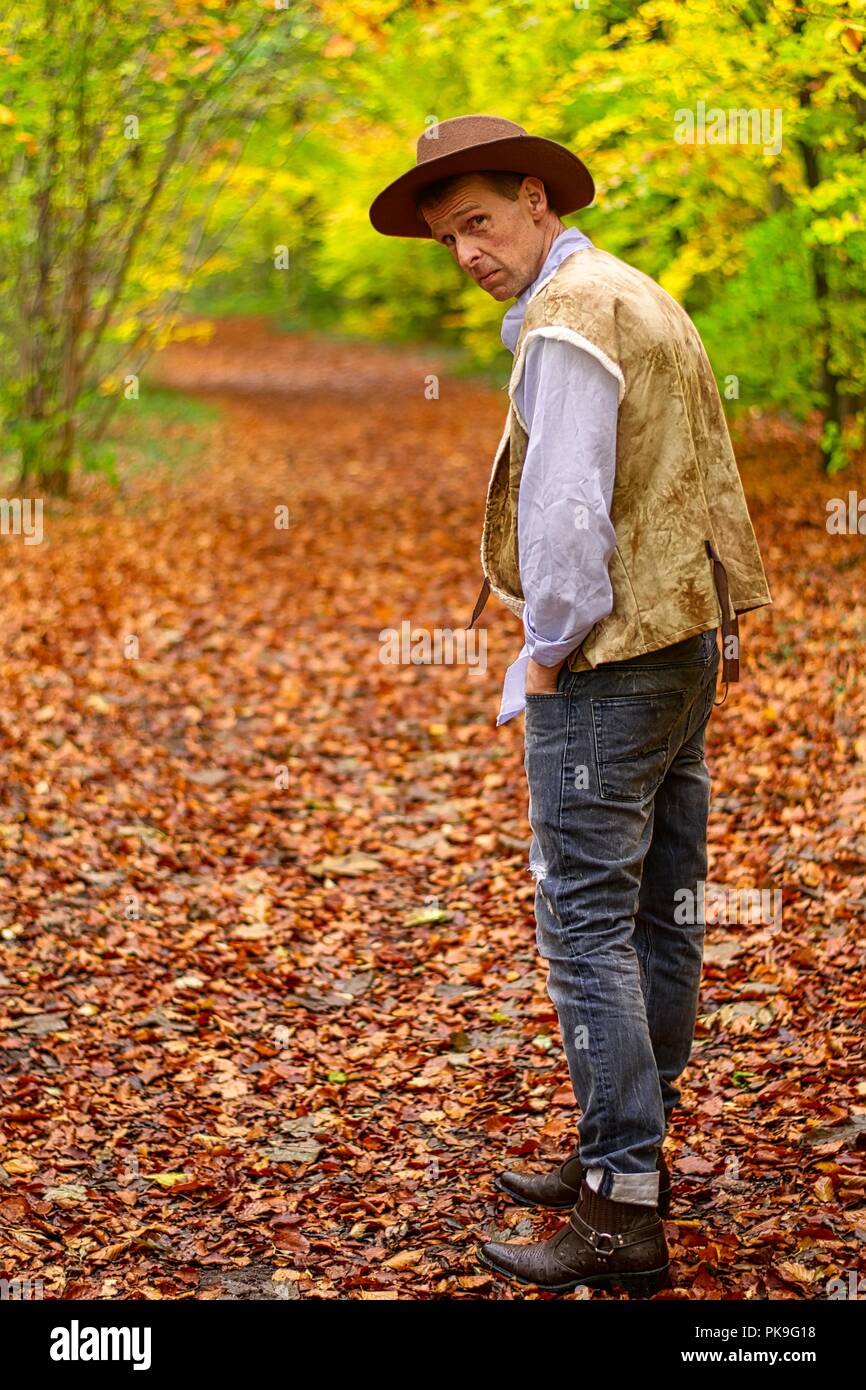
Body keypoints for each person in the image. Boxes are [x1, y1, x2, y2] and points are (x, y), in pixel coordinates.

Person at [369, 115, 772, 1297]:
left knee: (584, 925)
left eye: (479, 223)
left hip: (608, 661)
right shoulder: (628, 288)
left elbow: (564, 513)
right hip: (680, 643)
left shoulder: (567, 319)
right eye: (448, 240)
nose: (466, 254)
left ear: (535, 198)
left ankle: (620, 1205)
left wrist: (543, 653)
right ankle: (625, 1153)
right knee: (658, 910)